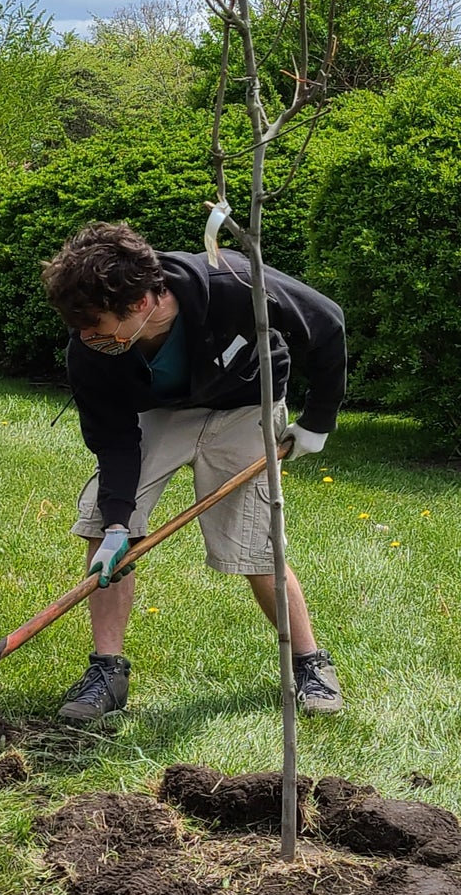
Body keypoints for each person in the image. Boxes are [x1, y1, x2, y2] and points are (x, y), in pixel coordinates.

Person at [41, 221, 347, 725]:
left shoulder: (234, 282)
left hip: (247, 405)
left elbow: (327, 323)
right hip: (160, 412)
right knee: (102, 521)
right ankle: (107, 673)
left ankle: (308, 663)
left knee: (255, 545)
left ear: (141, 303)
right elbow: (114, 439)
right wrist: (119, 522)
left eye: (95, 322)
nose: (84, 335)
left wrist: (318, 421)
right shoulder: (91, 349)